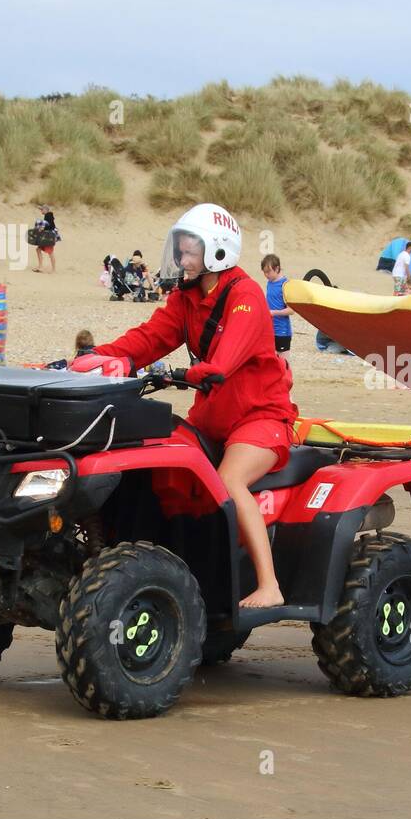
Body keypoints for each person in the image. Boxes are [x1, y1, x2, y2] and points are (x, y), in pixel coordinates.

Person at [74, 203, 297, 609]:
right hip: (211, 419)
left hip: (259, 418)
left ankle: (269, 584)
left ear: (217, 250)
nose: (181, 258)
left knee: (230, 480)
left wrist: (182, 372)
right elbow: (147, 338)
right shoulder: (187, 298)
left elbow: (223, 362)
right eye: (179, 249)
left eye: (189, 249)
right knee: (158, 466)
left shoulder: (244, 295)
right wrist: (96, 358)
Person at [261, 253, 293, 359]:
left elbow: (291, 310)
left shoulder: (286, 285)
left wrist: (274, 312)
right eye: (264, 272)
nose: (266, 275)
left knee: (284, 364)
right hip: (269, 329)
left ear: (277, 268)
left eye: (268, 271)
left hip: (282, 331)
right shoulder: (269, 283)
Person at [32, 206, 60, 273]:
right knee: (38, 249)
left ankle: (53, 270)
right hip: (47, 237)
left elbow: (49, 226)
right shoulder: (48, 216)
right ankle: (40, 267)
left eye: (42, 209)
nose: (41, 211)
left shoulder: (48, 215)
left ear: (46, 210)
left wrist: (41, 229)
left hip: (48, 237)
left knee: (50, 253)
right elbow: (48, 225)